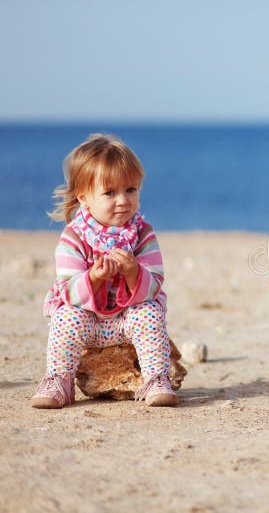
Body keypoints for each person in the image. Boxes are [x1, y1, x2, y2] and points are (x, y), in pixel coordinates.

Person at [31, 134, 177, 409]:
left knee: (151, 311)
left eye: (130, 190)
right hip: (88, 318)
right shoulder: (74, 237)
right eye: (109, 193)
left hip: (127, 318)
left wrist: (133, 271)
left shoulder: (142, 234)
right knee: (65, 317)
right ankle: (59, 380)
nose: (123, 200)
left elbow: (155, 284)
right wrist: (94, 277)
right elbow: (67, 290)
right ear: (84, 197)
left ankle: (156, 378)